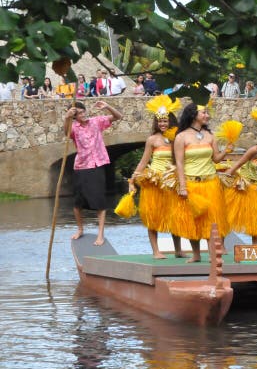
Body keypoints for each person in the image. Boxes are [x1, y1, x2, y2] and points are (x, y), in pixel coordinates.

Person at [171, 102, 232, 263]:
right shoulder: (181, 137)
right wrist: (182, 186)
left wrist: (226, 151)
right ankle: (196, 254)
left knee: (213, 220)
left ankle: (214, 255)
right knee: (194, 221)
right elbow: (179, 163)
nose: (207, 115)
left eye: (207, 113)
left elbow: (216, 159)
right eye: (204, 112)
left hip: (211, 182)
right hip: (191, 184)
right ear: (193, 115)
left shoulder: (210, 136)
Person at [128, 95, 183, 258]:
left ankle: (178, 250)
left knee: (175, 216)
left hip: (172, 182)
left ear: (171, 121)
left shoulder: (177, 139)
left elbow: (182, 160)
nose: (163, 124)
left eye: (165, 121)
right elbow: (143, 162)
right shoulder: (152, 140)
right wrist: (132, 180)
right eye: (160, 121)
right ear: (156, 123)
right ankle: (156, 251)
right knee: (153, 216)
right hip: (154, 182)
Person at [64, 100, 123, 246]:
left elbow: (118, 117)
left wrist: (108, 106)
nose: (83, 115)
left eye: (83, 112)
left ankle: (100, 234)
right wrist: (66, 117)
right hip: (81, 166)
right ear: (75, 116)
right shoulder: (74, 127)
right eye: (79, 113)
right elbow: (66, 133)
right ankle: (80, 229)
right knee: (78, 202)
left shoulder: (96, 122)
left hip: (97, 165)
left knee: (99, 202)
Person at [224, 112, 257, 244]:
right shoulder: (255, 149)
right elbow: (240, 162)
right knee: (232, 216)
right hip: (247, 186)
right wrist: (227, 174)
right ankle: (222, 244)